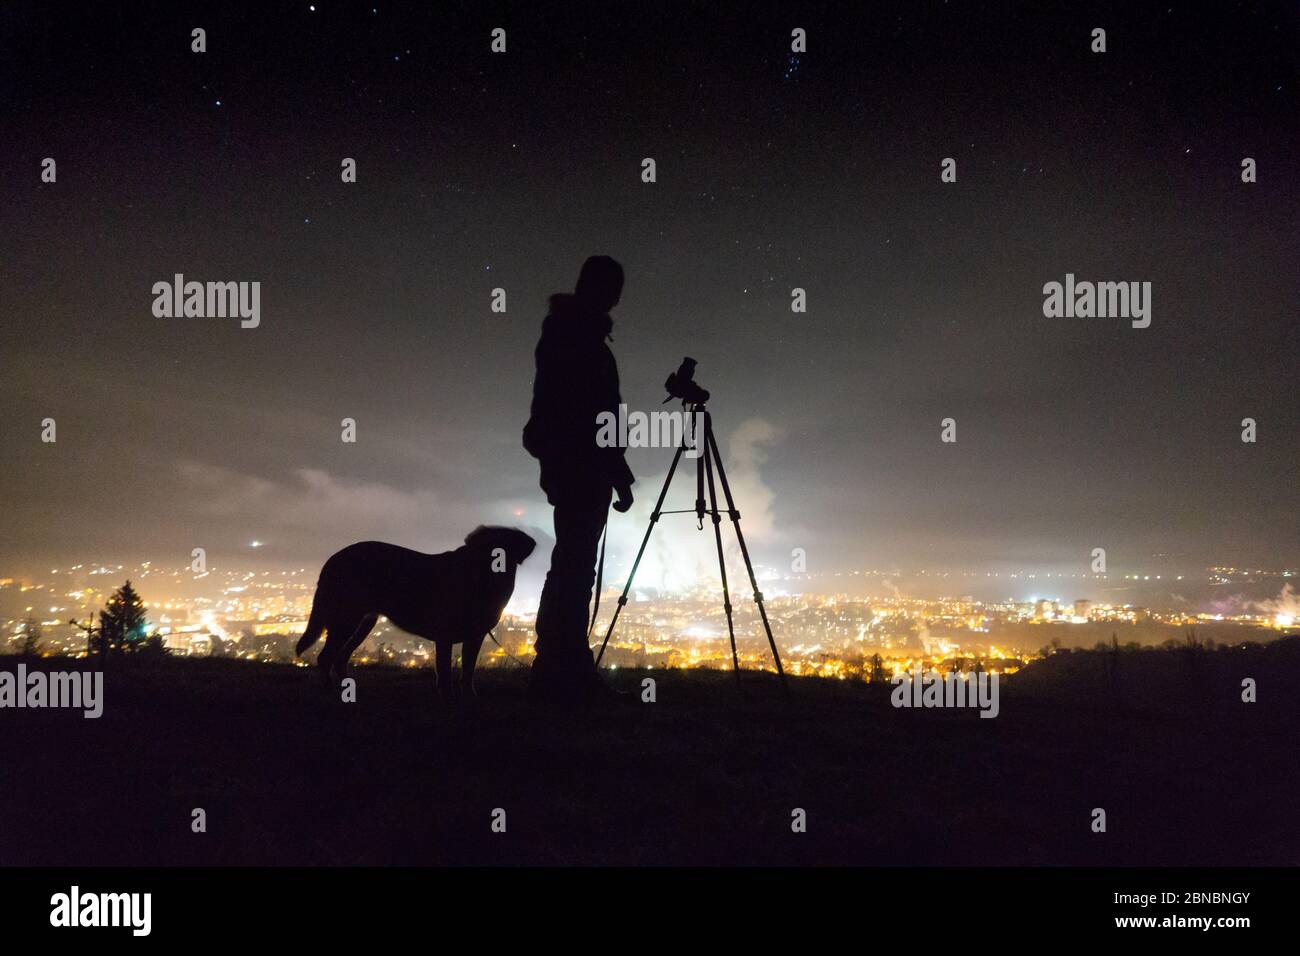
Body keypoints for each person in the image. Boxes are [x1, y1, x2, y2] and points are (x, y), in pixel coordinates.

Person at [523, 256, 635, 703]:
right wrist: (614, 468)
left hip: (576, 463)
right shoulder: (578, 337)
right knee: (574, 567)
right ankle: (564, 669)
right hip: (580, 465)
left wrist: (615, 469)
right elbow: (590, 413)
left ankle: (558, 666)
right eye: (611, 289)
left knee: (571, 564)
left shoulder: (569, 331)